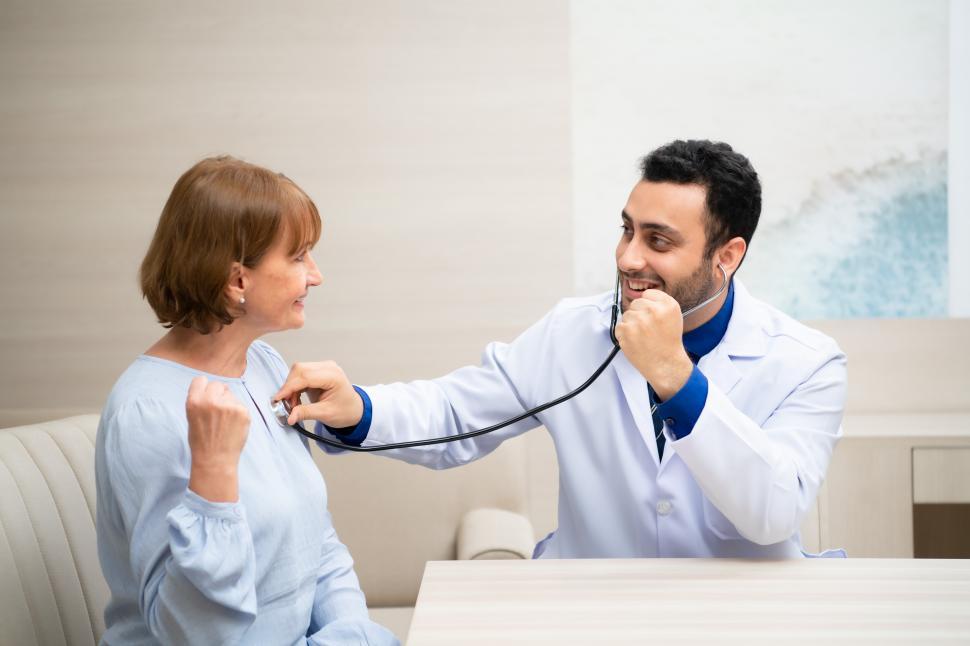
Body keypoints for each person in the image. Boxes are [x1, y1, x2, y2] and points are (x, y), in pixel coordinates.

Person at [276, 140, 848, 559]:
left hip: (743, 619)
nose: (628, 258)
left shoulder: (806, 363)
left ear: (726, 256)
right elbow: (455, 415)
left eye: (659, 241)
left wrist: (676, 376)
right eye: (628, 230)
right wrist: (359, 411)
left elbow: (772, 515)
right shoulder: (573, 332)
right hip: (592, 613)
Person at [95, 156, 398, 645]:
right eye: (299, 257)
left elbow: (318, 546)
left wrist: (352, 634)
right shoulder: (146, 411)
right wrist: (214, 475)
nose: (315, 276)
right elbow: (192, 633)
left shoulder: (266, 366)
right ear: (238, 280)